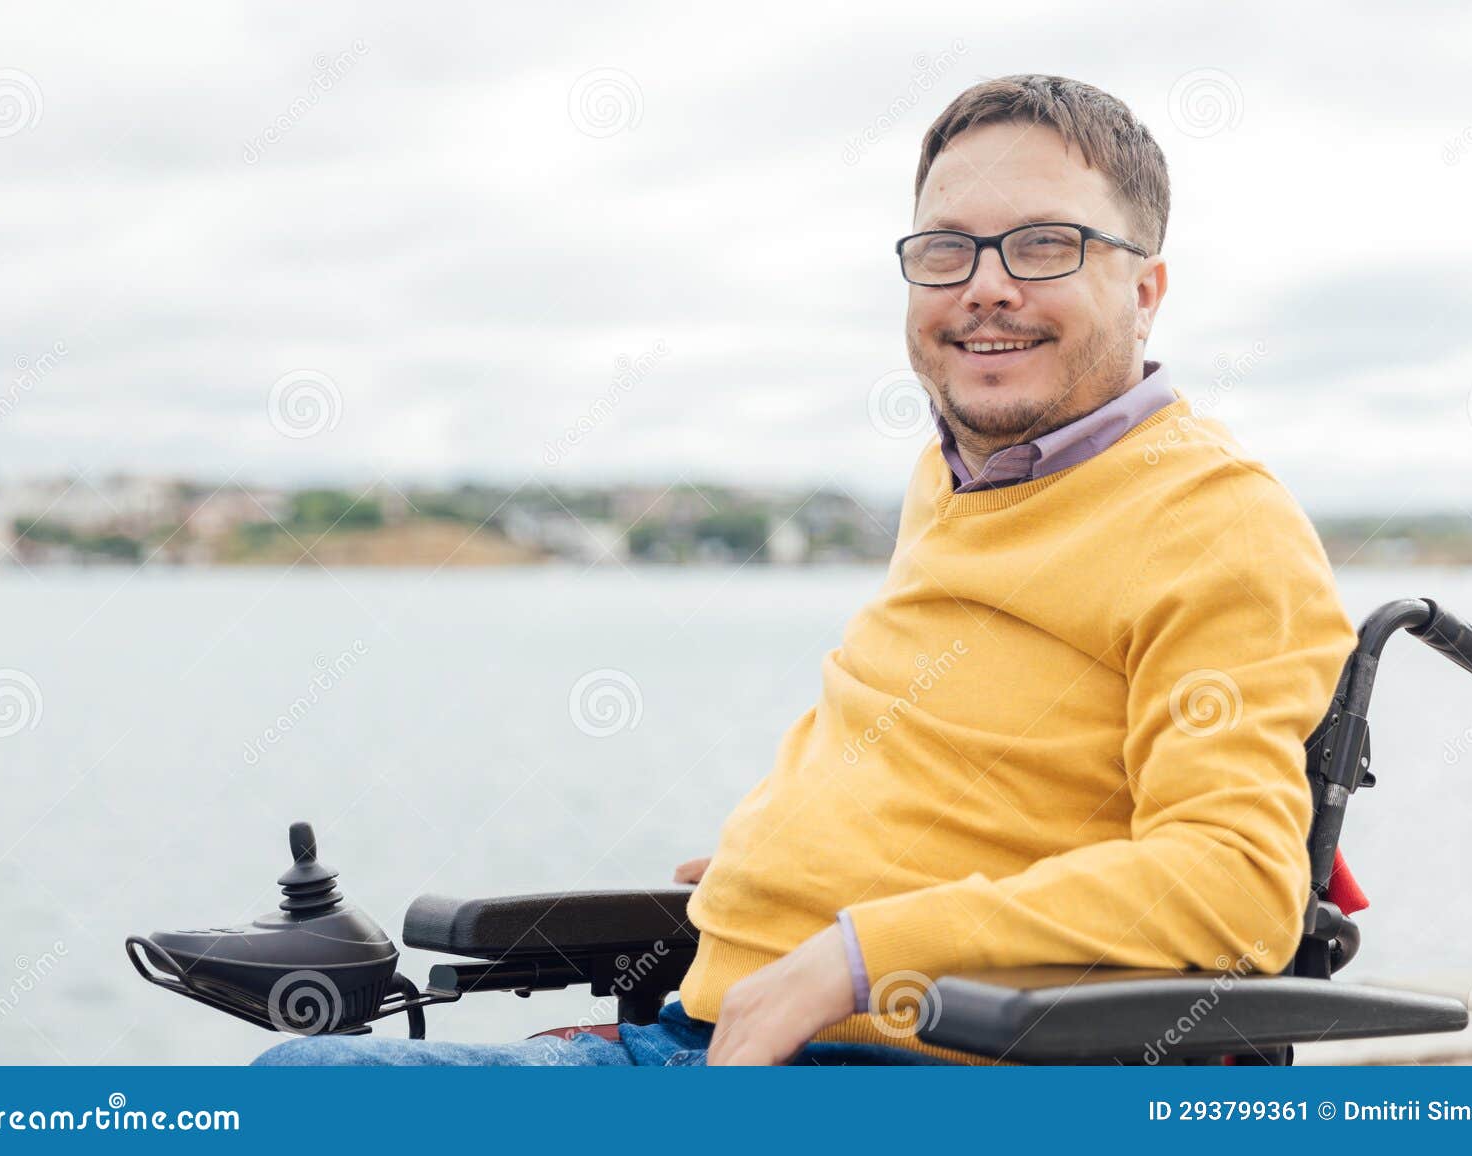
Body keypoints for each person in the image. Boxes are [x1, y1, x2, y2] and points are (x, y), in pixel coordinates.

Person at [255, 73, 1355, 1068]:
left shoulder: (1216, 525)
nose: (985, 287)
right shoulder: (966, 473)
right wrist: (779, 868)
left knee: (299, 1096)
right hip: (717, 1016)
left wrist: (856, 952)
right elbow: (978, 775)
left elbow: (1234, 885)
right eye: (947, 249)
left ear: (1147, 289)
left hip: (895, 1066)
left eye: (1043, 246)